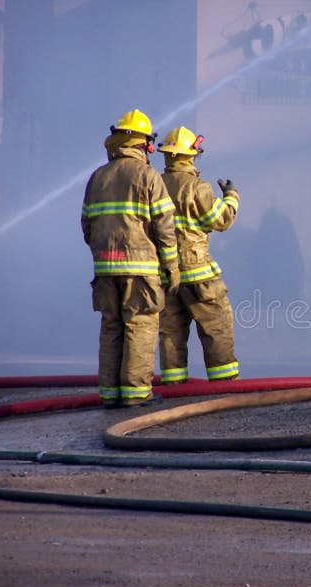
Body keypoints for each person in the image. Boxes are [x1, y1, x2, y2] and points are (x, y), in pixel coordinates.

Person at [81, 109, 179, 407]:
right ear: (145, 144)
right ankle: (136, 394)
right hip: (140, 270)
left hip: (104, 269)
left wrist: (103, 253)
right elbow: (164, 226)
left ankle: (109, 394)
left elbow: (87, 224)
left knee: (111, 327)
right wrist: (171, 266)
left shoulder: (98, 177)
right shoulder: (148, 176)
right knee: (140, 325)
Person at [156, 126, 240, 384]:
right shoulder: (197, 187)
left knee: (171, 334)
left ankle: (173, 387)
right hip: (199, 275)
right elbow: (221, 220)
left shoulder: (154, 184)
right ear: (190, 155)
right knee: (216, 329)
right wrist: (231, 197)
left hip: (166, 276)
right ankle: (225, 388)